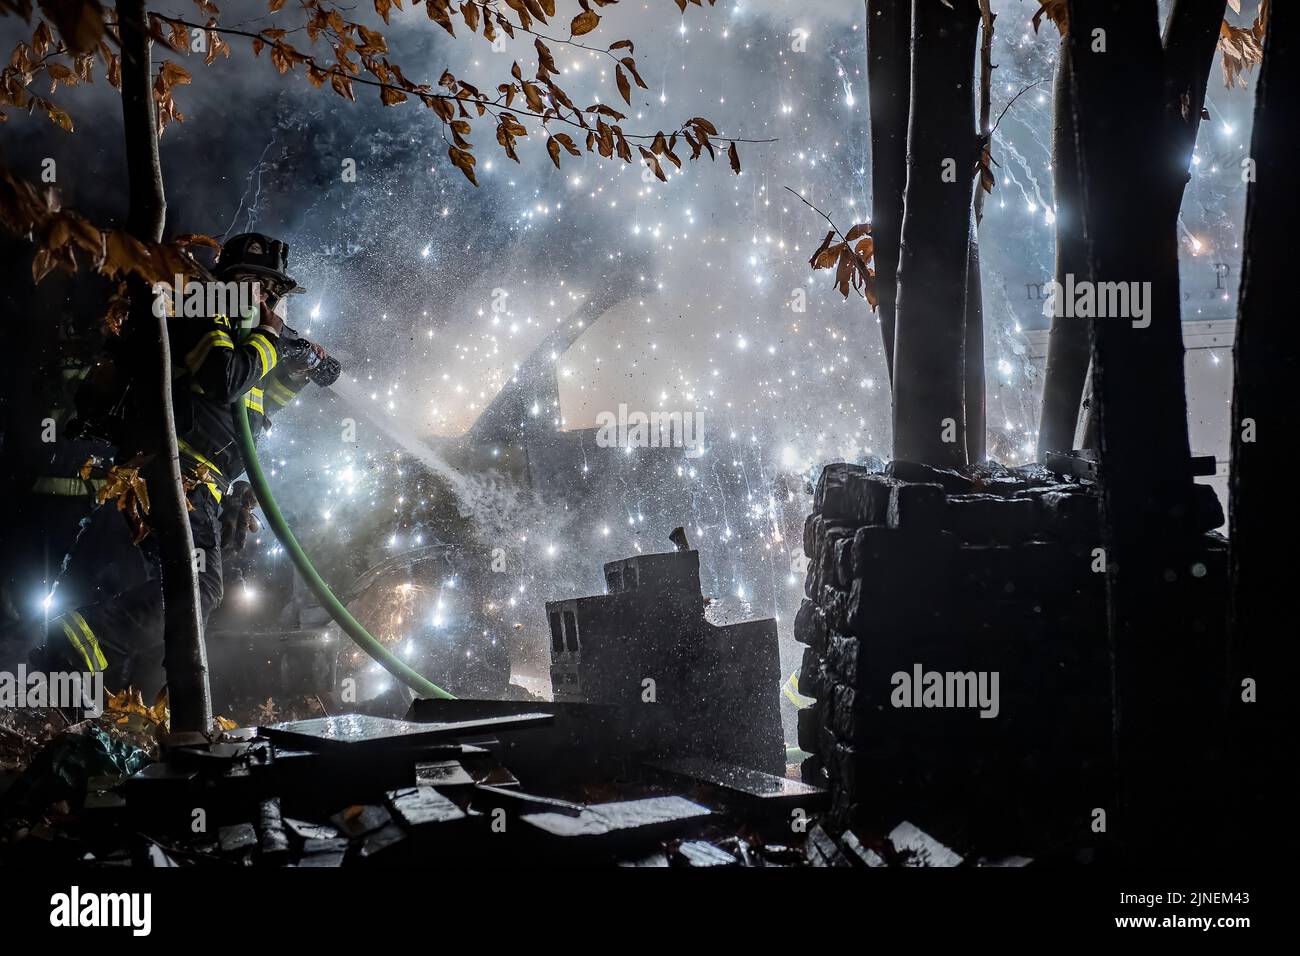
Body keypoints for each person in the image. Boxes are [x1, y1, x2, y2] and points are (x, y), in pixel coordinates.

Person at [32, 233, 336, 691]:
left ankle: (115, 692)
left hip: (199, 486)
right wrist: (271, 339)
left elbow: (252, 409)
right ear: (228, 283)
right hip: (171, 473)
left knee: (187, 595)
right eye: (257, 285)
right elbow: (224, 380)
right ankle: (73, 648)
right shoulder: (201, 310)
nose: (267, 298)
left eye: (273, 291)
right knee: (198, 591)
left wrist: (294, 375)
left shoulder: (243, 337)